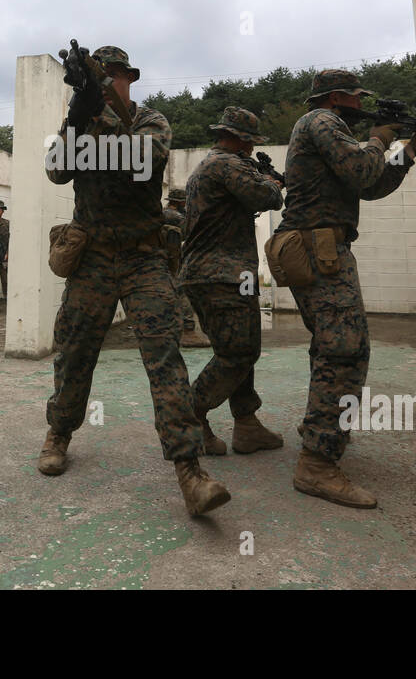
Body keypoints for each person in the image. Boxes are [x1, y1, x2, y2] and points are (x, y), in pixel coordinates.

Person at [38, 45, 230, 517]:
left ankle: (190, 471)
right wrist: (76, 117)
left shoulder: (153, 122)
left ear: (129, 79)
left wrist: (99, 117)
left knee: (164, 358)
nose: (110, 85)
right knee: (74, 352)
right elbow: (57, 171)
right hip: (93, 259)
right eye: (101, 79)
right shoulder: (81, 120)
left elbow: (139, 161)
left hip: (144, 258)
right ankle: (59, 432)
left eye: (114, 78)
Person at [278, 69, 416, 509]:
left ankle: (320, 435)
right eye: (355, 97)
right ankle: (317, 465)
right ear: (336, 97)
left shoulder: (332, 130)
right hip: (317, 248)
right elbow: (364, 168)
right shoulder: (322, 122)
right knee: (345, 350)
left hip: (319, 248)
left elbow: (371, 184)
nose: (360, 103)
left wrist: (406, 150)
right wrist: (382, 138)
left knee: (333, 348)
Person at [180, 107, 285, 458]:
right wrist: (273, 183)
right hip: (224, 275)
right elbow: (267, 197)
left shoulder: (210, 165)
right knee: (239, 353)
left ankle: (247, 424)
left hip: (212, 274)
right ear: (240, 140)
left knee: (239, 347)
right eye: (251, 143)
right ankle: (189, 416)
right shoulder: (227, 163)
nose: (253, 149)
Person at [161, 187, 209, 347]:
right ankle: (188, 331)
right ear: (179, 201)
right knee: (183, 292)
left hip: (168, 260)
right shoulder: (173, 216)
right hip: (173, 261)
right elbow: (192, 230)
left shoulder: (165, 213)